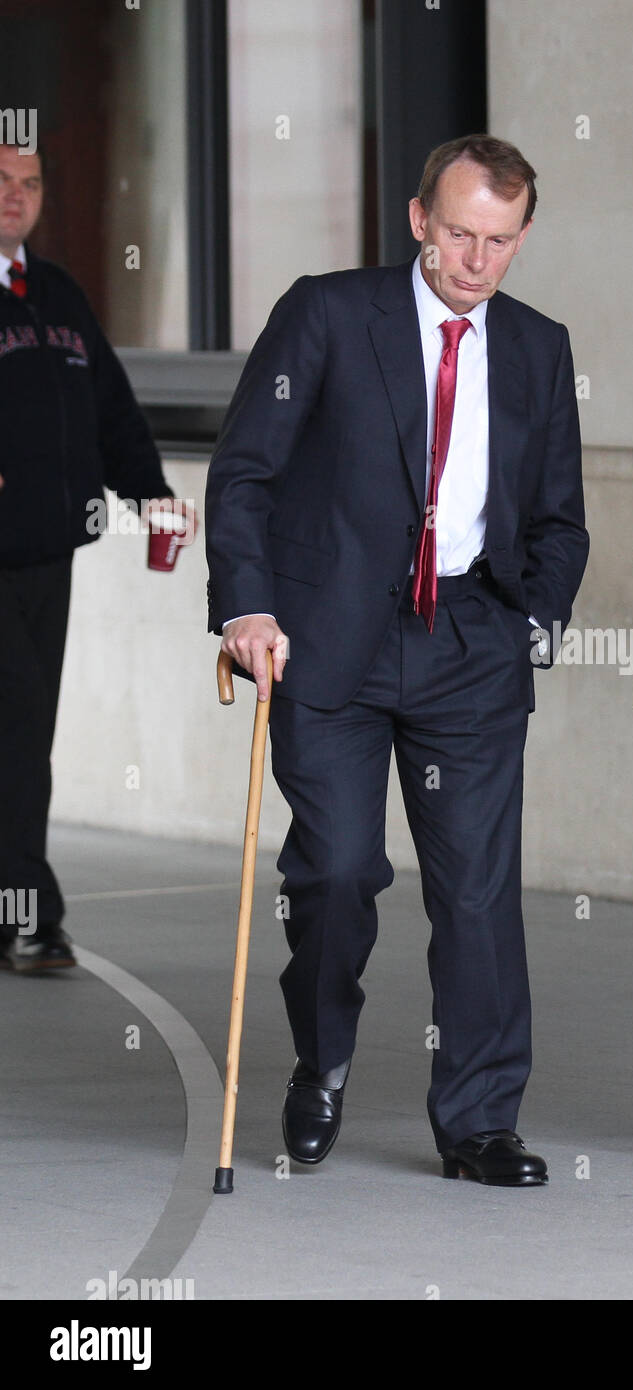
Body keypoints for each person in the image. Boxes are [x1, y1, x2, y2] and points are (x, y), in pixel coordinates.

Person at [206, 135, 588, 1186]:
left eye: (499, 242)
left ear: (520, 240)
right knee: (335, 871)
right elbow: (243, 473)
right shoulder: (328, 313)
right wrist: (247, 606)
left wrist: (531, 625)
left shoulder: (540, 347)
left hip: (471, 640)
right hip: (328, 634)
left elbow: (559, 518)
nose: (475, 260)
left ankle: (478, 1120)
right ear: (419, 220)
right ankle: (321, 1059)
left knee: (476, 892)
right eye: (459, 233)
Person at [0, 143, 193, 975]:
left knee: (25, 739)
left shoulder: (57, 294)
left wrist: (149, 491)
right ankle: (29, 914)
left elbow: (110, 407)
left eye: (31, 182)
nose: (17, 196)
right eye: (1, 182)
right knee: (12, 735)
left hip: (48, 555)